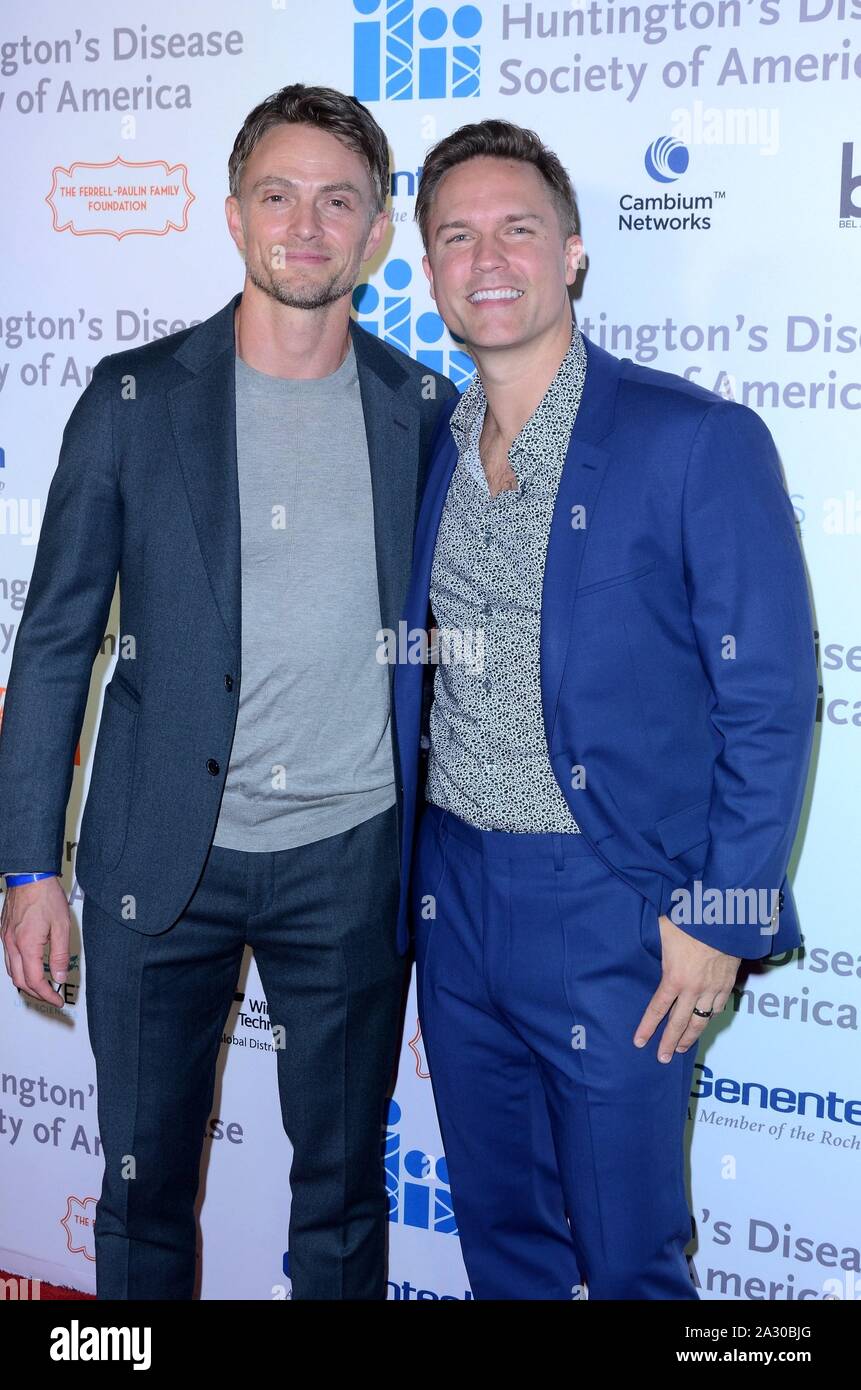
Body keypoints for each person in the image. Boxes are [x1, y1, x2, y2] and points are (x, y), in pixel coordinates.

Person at [0, 83, 457, 1301]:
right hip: (159, 855)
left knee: (345, 1188)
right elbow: (53, 643)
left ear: (372, 234)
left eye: (337, 202)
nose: (305, 226)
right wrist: (27, 869)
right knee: (140, 1190)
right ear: (232, 214)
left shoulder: (425, 413)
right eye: (278, 195)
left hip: (350, 857)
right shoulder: (132, 399)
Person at [392, 119, 817, 1300]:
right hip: (456, 897)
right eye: (457, 236)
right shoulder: (429, 444)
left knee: (632, 1258)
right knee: (504, 1240)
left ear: (573, 252)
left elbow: (772, 695)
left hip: (619, 902)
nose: (488, 259)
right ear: (428, 272)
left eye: (517, 229)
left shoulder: (696, 440)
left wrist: (724, 914)